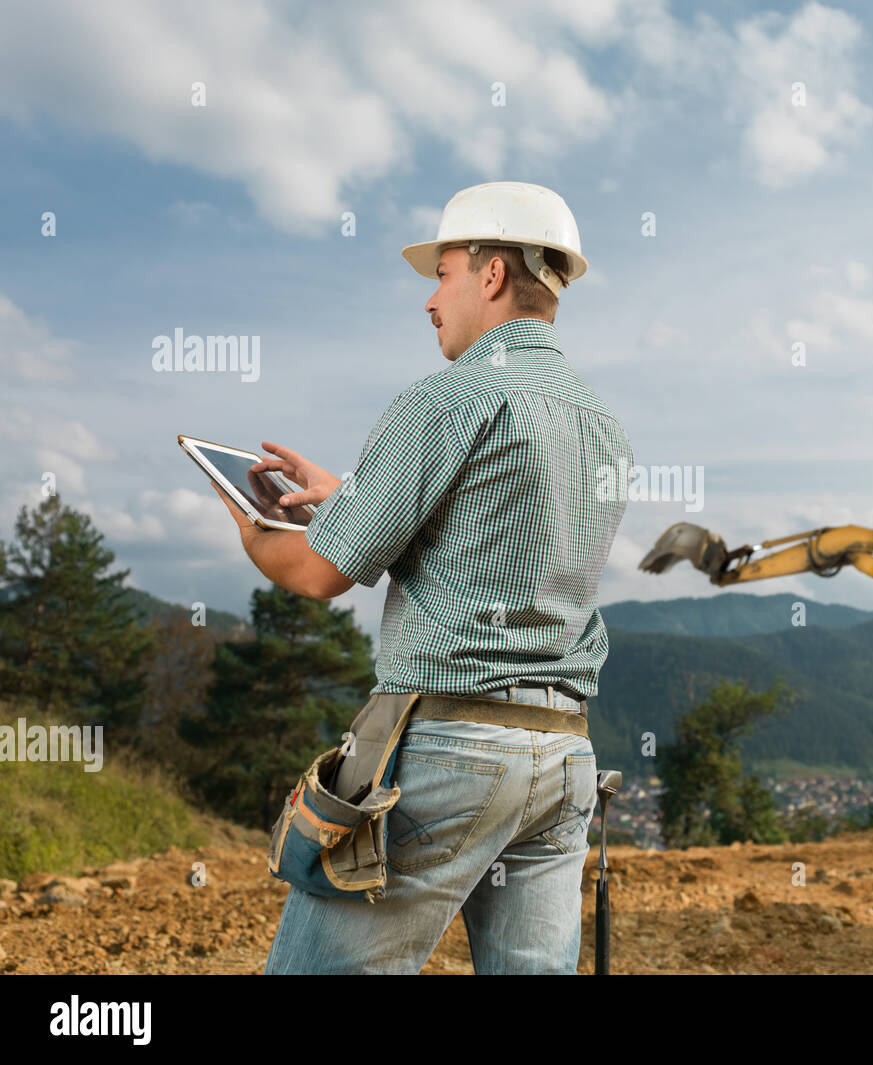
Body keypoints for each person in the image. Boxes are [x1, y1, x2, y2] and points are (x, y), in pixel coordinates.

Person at [212, 181, 634, 974]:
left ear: (493, 274)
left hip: (450, 748)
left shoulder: (446, 399)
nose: (429, 301)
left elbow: (317, 573)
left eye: (441, 274)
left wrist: (254, 530)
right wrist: (352, 494)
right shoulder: (602, 424)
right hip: (563, 756)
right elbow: (490, 528)